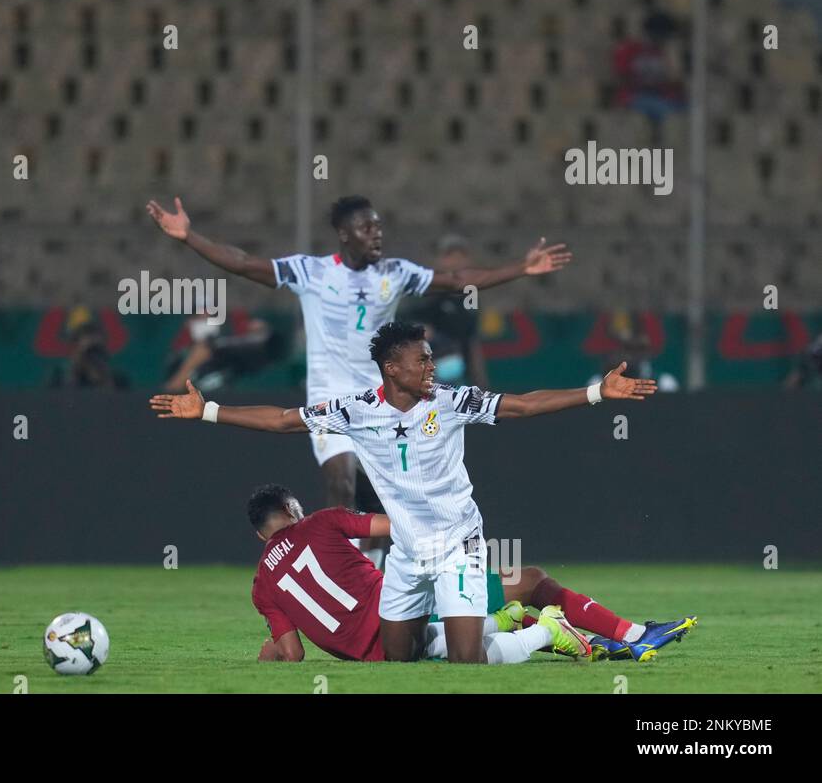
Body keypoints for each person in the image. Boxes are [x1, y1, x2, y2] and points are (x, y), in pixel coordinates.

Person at [151, 321, 690, 663]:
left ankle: (551, 631)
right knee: (399, 659)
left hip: (457, 543)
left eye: (432, 358)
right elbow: (284, 420)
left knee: (464, 662)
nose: (433, 366)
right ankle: (533, 618)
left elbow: (522, 405)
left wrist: (597, 391)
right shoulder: (355, 410)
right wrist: (210, 411)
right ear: (392, 368)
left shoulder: (450, 401)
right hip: (407, 555)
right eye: (423, 360)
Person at [147, 194, 571, 568]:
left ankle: (373, 574)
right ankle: (342, 571)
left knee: (382, 499)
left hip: (382, 399)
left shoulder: (396, 272)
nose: (376, 233)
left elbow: (457, 282)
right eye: (366, 227)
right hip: (331, 398)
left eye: (378, 226)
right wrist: (189, 236)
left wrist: (521, 268)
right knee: (341, 477)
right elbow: (242, 263)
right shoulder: (310, 271)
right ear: (343, 234)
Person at [245, 486, 695, 664]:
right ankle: (633, 632)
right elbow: (393, 526)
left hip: (377, 654)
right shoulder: (320, 522)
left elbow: (291, 655)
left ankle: (526, 625)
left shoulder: (262, 586)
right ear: (291, 511)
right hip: (404, 606)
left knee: (463, 645)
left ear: (261, 535)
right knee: (532, 578)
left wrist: (265, 654)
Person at [401, 234, 487, 388]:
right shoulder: (428, 289)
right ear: (440, 260)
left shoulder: (471, 293)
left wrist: (480, 379)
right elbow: (407, 323)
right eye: (450, 256)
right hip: (431, 369)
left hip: (460, 372)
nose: (456, 261)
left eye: (461, 256)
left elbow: (472, 337)